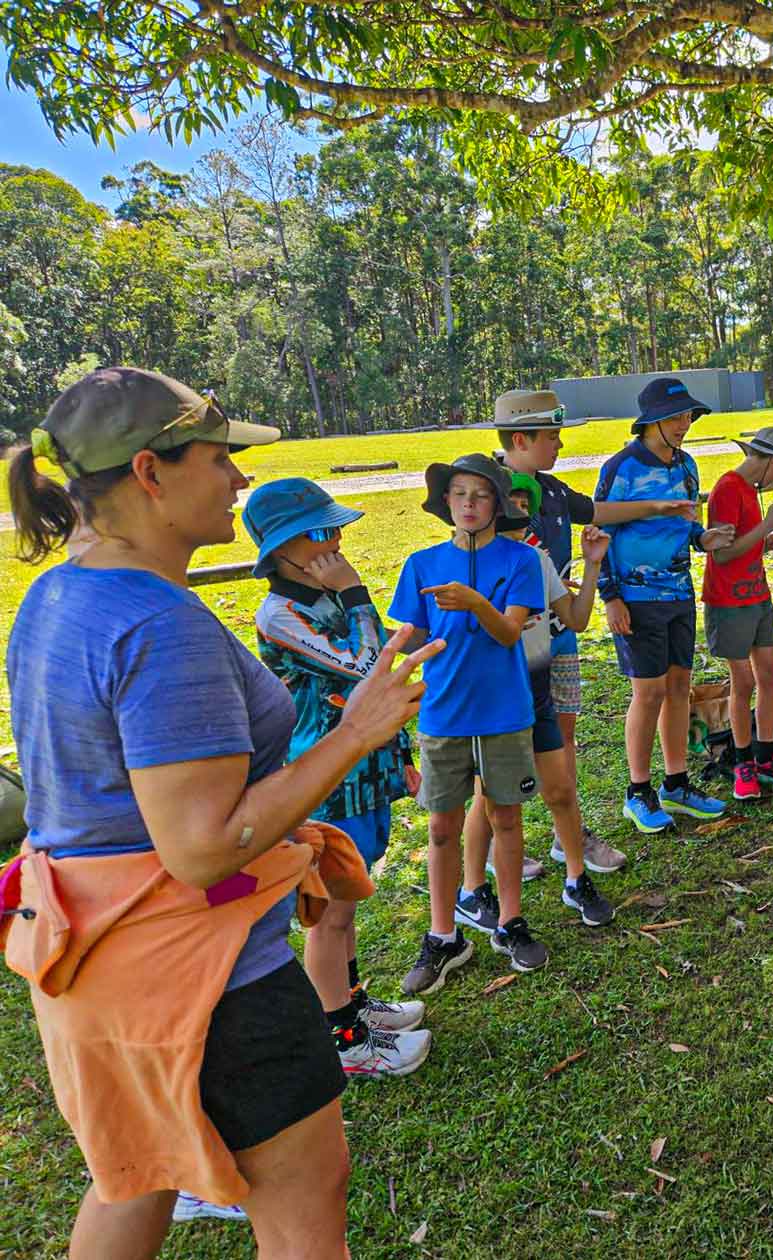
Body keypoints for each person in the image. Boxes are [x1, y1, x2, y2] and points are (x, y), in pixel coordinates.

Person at [4, 366, 438, 1258]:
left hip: (94, 964)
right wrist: (353, 734)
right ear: (150, 476)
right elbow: (204, 845)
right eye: (219, 458)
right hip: (209, 981)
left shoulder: (57, 595)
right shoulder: (159, 625)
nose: (239, 481)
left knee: (136, 1178)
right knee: (304, 1207)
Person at [247, 478, 431, 1079]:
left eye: (336, 531)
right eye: (318, 534)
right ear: (281, 551)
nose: (335, 544)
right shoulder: (282, 614)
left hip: (364, 768)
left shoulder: (321, 597)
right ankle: (345, 1038)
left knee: (350, 898)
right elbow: (367, 669)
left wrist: (400, 754)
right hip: (325, 776)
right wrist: (355, 593)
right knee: (330, 912)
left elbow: (379, 688)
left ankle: (353, 1004)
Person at [489, 387, 697, 876]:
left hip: (560, 631)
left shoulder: (554, 490)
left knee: (562, 736)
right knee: (507, 741)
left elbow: (599, 513)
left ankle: (570, 834)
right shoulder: (487, 493)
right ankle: (503, 844)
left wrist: (657, 509)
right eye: (553, 437)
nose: (560, 446)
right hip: (512, 640)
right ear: (521, 438)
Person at [389, 453, 549, 993]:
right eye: (459, 494)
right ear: (446, 502)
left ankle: (509, 922)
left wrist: (475, 601)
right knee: (440, 827)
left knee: (505, 818)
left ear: (498, 504)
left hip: (504, 712)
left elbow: (509, 634)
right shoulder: (422, 564)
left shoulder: (521, 560)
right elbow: (408, 640)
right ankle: (443, 936)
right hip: (442, 713)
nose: (469, 504)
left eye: (480, 495)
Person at [456, 476, 616, 933]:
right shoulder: (465, 567)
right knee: (489, 800)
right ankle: (471, 891)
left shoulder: (535, 559)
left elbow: (578, 620)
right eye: (508, 505)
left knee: (561, 790)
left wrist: (591, 566)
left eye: (524, 507)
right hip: (493, 701)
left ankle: (576, 878)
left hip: (537, 693)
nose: (517, 516)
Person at [594, 377, 735, 833]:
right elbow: (600, 535)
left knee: (680, 688)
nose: (684, 424)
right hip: (636, 599)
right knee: (648, 693)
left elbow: (686, 525)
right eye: (675, 417)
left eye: (688, 416)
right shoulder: (622, 468)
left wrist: (703, 539)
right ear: (650, 421)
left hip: (679, 594)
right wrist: (611, 596)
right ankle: (638, 792)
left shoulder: (688, 465)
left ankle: (677, 782)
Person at [702, 425, 773, 798]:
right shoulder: (727, 489)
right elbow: (721, 553)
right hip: (728, 602)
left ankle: (767, 757)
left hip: (757, 597)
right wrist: (766, 525)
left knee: (769, 676)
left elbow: (743, 546)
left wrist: (764, 542)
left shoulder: (750, 491)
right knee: (744, 683)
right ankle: (743, 763)